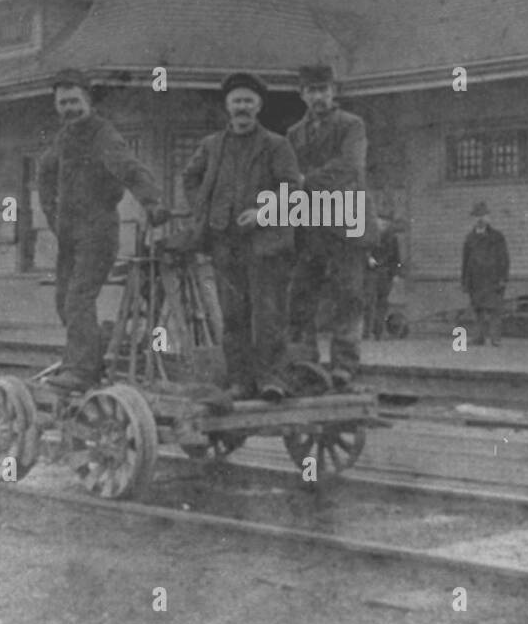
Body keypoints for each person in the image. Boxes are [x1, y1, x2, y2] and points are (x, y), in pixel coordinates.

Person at [38, 68, 170, 392]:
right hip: (69, 234)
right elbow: (44, 174)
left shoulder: (103, 135)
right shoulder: (64, 137)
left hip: (98, 231)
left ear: (88, 100)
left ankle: (82, 371)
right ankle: (84, 360)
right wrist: (54, 218)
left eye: (74, 100)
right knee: (63, 300)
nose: (69, 107)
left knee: (78, 298)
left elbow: (130, 168)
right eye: (63, 102)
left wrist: (152, 203)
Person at [182, 72, 301, 402]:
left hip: (265, 245)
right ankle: (240, 381)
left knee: (267, 314)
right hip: (225, 243)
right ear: (227, 106)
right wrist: (204, 211)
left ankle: (271, 379)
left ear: (259, 106)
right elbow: (189, 178)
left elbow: (292, 188)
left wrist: (264, 213)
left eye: (249, 101)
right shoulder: (211, 146)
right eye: (237, 101)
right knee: (233, 316)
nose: (242, 107)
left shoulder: (277, 145)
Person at [286, 62, 377, 389]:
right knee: (300, 295)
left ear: (333, 91)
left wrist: (305, 180)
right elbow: (286, 174)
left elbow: (349, 167)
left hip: (345, 222)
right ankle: (305, 360)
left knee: (348, 295)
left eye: (323, 90)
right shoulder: (293, 135)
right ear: (302, 95)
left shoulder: (352, 126)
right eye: (311, 91)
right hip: (310, 225)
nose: (318, 97)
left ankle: (344, 366)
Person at [461, 200, 509, 347]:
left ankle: (495, 338)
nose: (480, 219)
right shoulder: (470, 238)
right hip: (476, 280)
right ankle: (479, 337)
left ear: (489, 218)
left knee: (495, 309)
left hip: (493, 279)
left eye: (483, 215)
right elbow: (465, 261)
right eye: (477, 216)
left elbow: (504, 259)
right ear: (473, 219)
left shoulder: (497, 237)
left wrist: (503, 278)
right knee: (478, 309)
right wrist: (464, 281)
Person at [364, 213, 403, 340]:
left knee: (382, 303)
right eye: (380, 223)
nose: (382, 226)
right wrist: (368, 259)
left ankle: (378, 332)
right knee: (369, 302)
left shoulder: (392, 239)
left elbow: (396, 258)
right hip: (371, 273)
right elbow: (362, 251)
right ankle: (367, 331)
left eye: (385, 224)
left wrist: (395, 274)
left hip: (385, 275)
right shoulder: (367, 236)